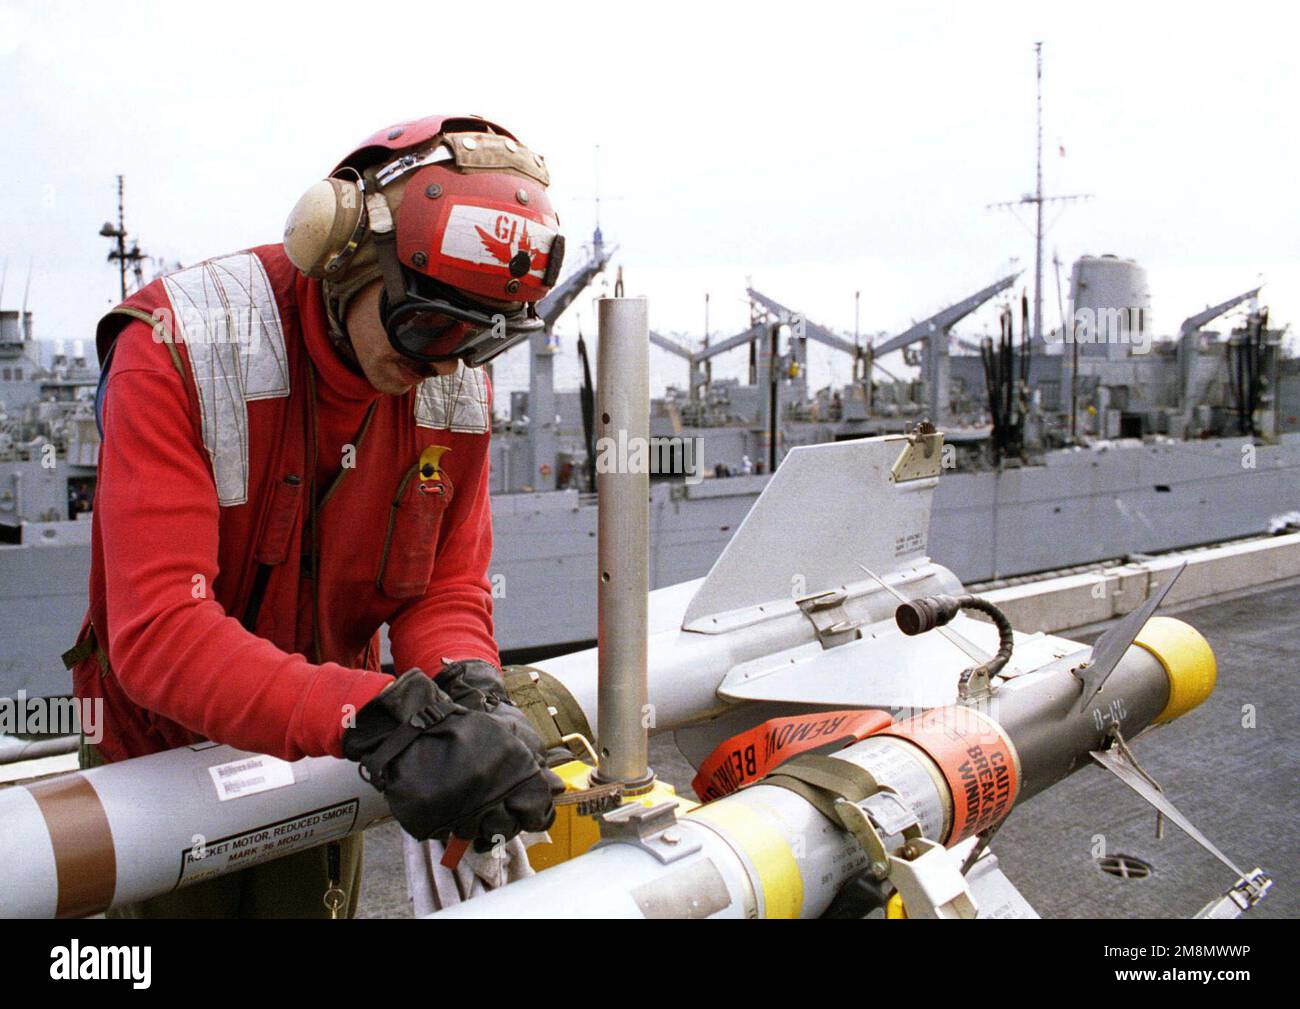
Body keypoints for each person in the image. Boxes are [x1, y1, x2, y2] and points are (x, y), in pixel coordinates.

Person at [64, 114, 566, 918]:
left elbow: (438, 589)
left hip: (322, 750)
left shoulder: (446, 374)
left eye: (478, 343)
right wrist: (377, 722)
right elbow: (159, 631)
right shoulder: (177, 346)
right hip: (152, 771)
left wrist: (468, 692)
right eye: (428, 324)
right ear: (344, 253)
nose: (442, 364)